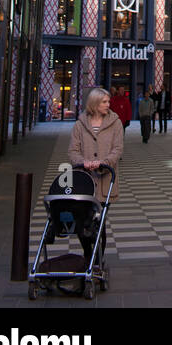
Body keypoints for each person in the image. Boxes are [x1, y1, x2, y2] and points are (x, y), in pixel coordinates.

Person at [68, 87, 122, 254]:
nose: (108, 104)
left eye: (108, 101)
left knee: (100, 223)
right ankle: (87, 253)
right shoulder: (80, 124)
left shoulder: (116, 123)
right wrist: (83, 162)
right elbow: (73, 150)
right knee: (83, 221)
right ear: (95, 103)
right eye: (104, 102)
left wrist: (103, 163)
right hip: (85, 182)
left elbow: (118, 149)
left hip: (106, 181)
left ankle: (97, 260)